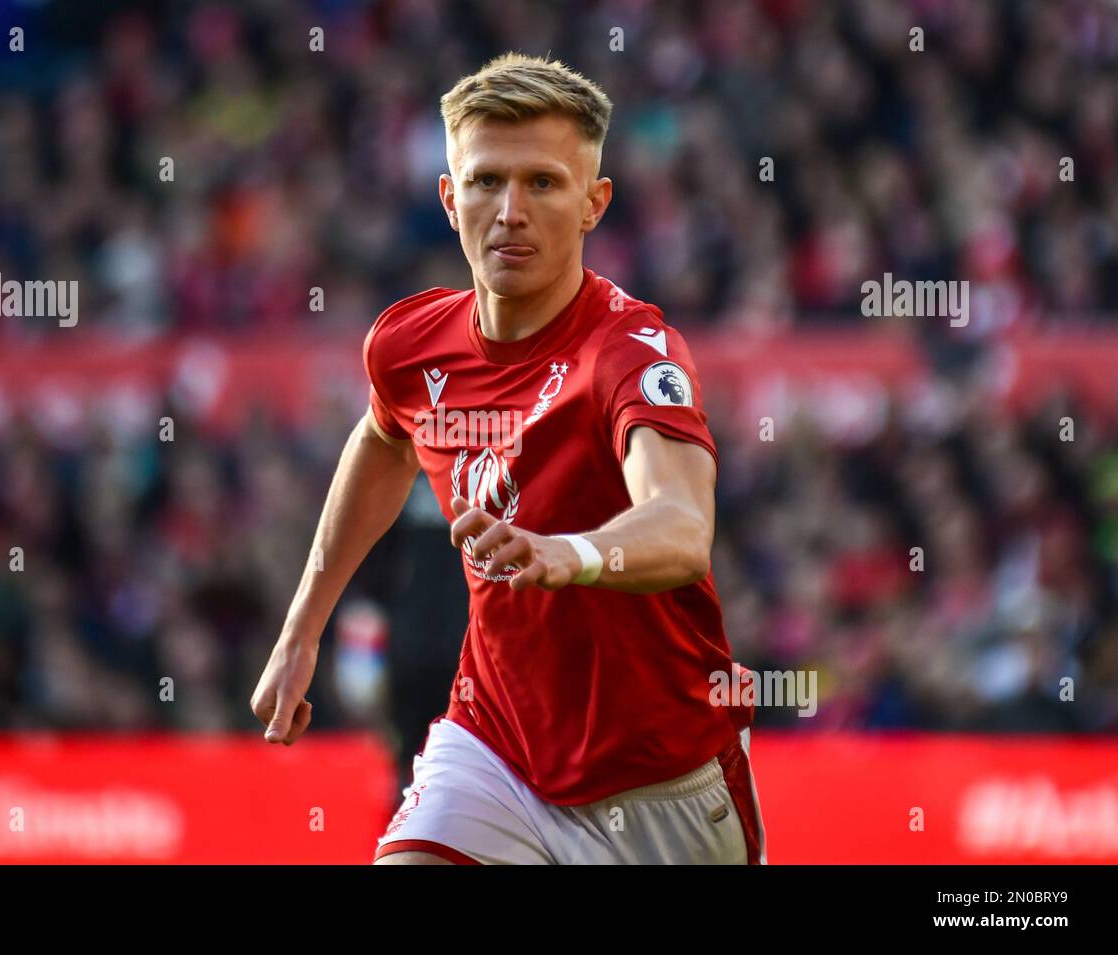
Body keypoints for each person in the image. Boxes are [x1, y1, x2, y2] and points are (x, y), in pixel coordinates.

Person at [251, 52, 766, 864]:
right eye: (487, 182)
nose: (509, 211)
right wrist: (302, 627)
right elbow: (384, 438)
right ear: (450, 196)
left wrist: (572, 553)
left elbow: (681, 525)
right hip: (494, 743)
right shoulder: (410, 344)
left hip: (660, 782)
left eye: (543, 183)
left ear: (595, 203)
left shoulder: (630, 354)